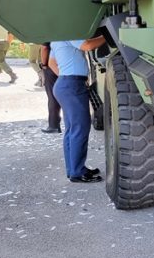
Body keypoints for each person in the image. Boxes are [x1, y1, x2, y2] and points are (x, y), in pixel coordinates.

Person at [51, 36, 106, 183]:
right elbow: (88, 45)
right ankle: (77, 171)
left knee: (72, 129)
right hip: (72, 84)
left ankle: (73, 169)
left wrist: (66, 76)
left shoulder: (55, 38)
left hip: (64, 83)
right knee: (80, 128)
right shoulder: (69, 32)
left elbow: (51, 63)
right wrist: (107, 35)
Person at [40, 43, 61, 134]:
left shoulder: (48, 31)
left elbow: (44, 48)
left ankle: (53, 125)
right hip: (65, 63)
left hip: (51, 65)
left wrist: (44, 65)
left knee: (52, 96)